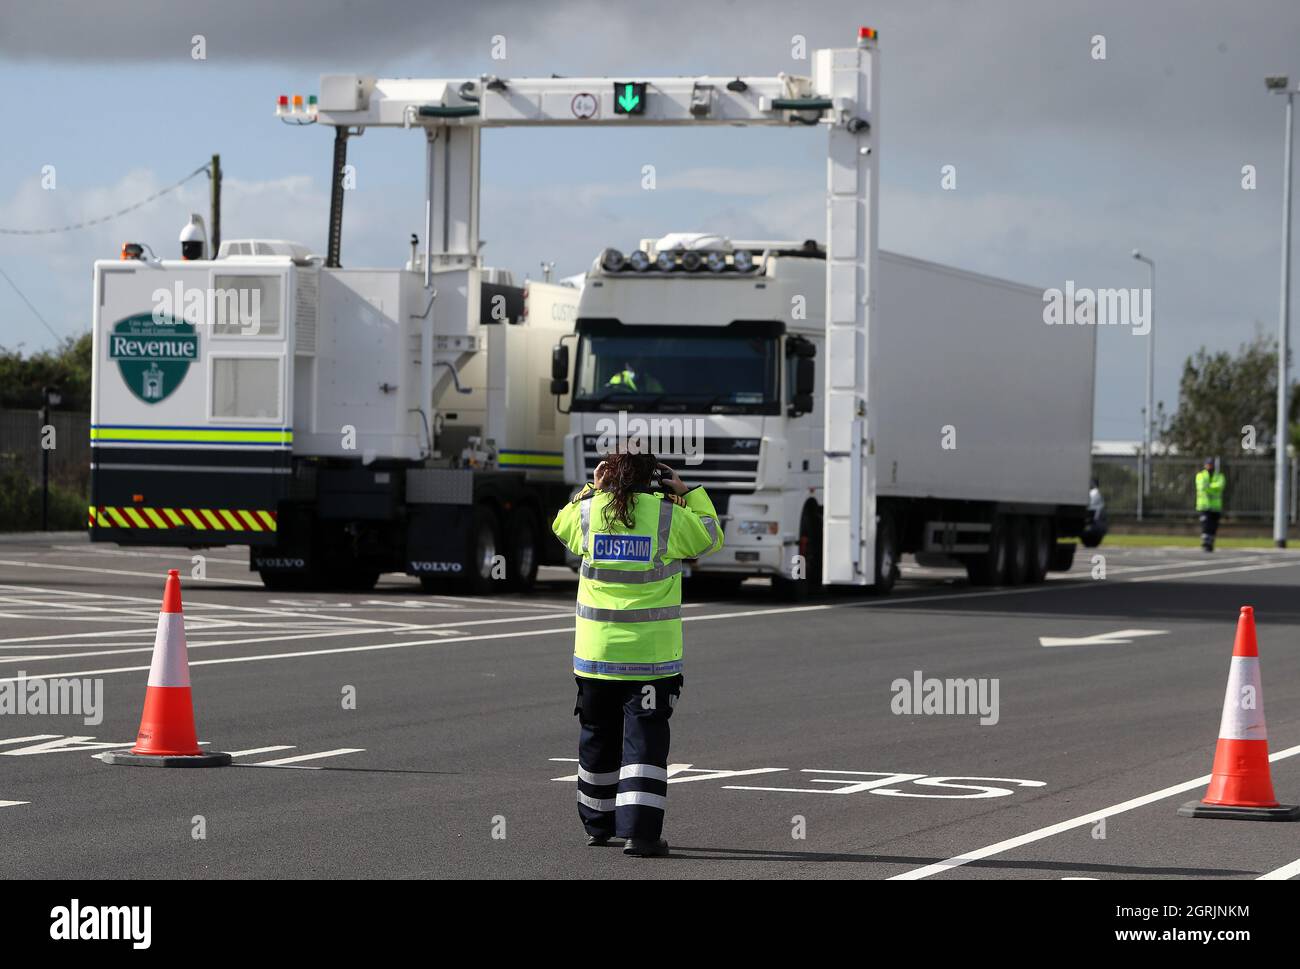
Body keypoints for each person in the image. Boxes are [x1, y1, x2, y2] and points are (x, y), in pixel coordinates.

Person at [551, 452, 722, 857]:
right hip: (651, 658)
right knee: (643, 744)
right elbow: (711, 538)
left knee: (596, 734)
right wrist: (690, 493)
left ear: (608, 477)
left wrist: (592, 488)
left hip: (596, 654)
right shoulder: (668, 516)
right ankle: (640, 834)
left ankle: (597, 824)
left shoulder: (589, 513)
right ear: (655, 480)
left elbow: (559, 525)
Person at [1195, 458, 1226, 552]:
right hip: (1204, 506)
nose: (1210, 466)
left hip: (1216, 507)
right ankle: (1205, 543)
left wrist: (1209, 487)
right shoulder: (1200, 475)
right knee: (1205, 526)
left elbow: (1220, 486)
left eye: (1211, 464)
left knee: (1213, 527)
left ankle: (1210, 544)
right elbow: (1202, 487)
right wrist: (1213, 487)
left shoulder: (1219, 475)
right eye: (1208, 464)